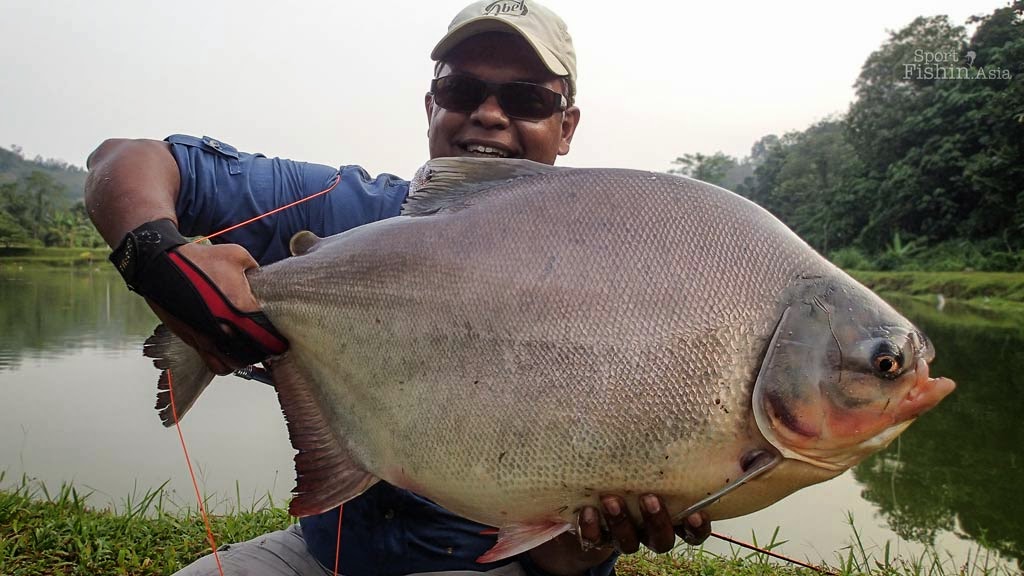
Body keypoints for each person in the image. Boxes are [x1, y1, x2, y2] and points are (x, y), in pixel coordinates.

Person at [85, 1, 711, 575]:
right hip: (323, 557)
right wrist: (156, 257)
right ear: (431, 105)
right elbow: (126, 159)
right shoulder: (345, 210)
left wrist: (600, 529)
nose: (489, 115)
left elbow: (559, 562)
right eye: (461, 89)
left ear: (566, 126)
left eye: (526, 99)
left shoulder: (615, 274)